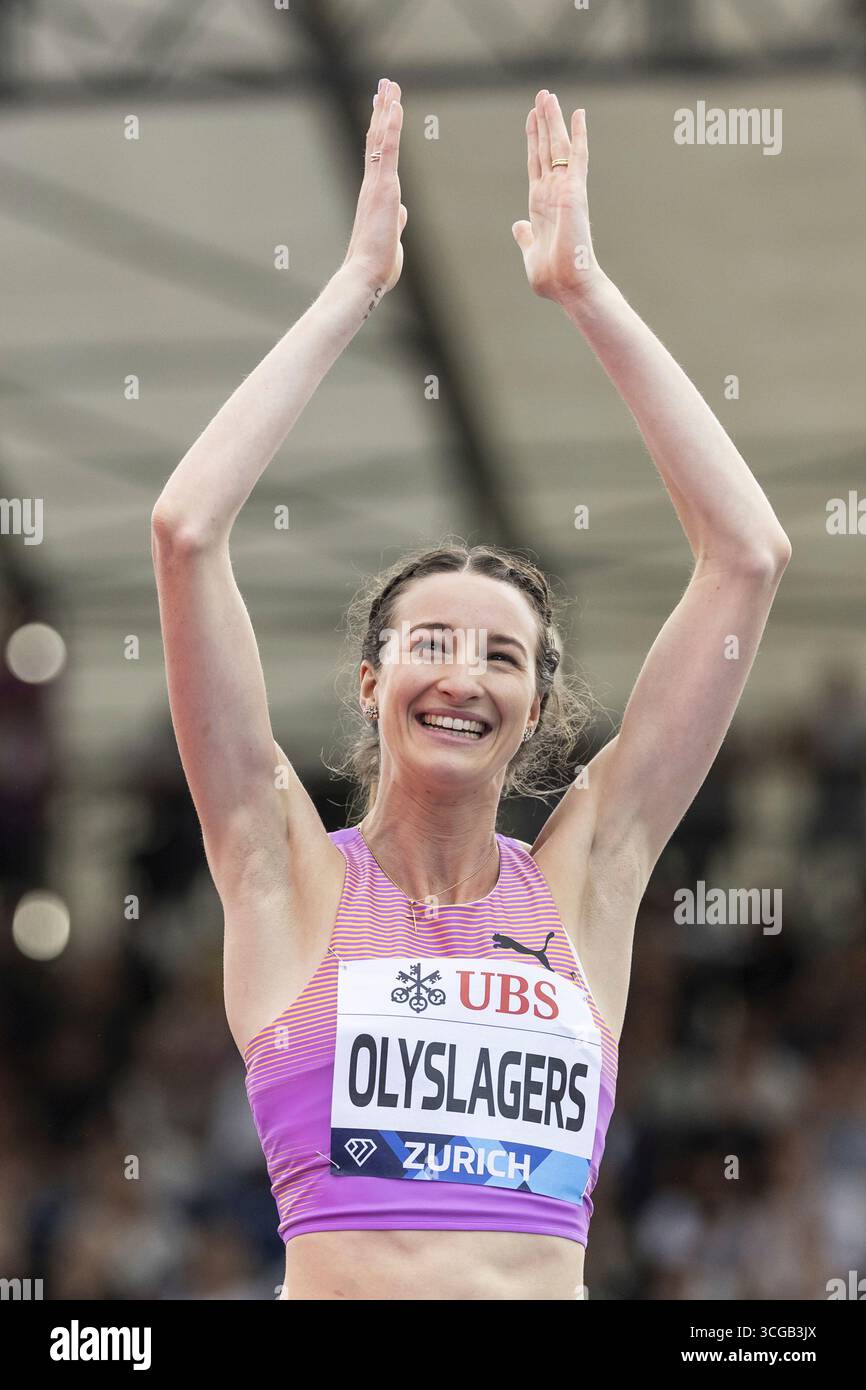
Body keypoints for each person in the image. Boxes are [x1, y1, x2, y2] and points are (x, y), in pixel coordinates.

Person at [151, 78, 791, 1300]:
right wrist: (351, 290)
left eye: (500, 655)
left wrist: (584, 292)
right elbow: (185, 531)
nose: (462, 675)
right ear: (372, 679)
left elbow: (747, 557)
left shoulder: (586, 878)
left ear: (537, 706)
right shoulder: (280, 868)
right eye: (428, 643)